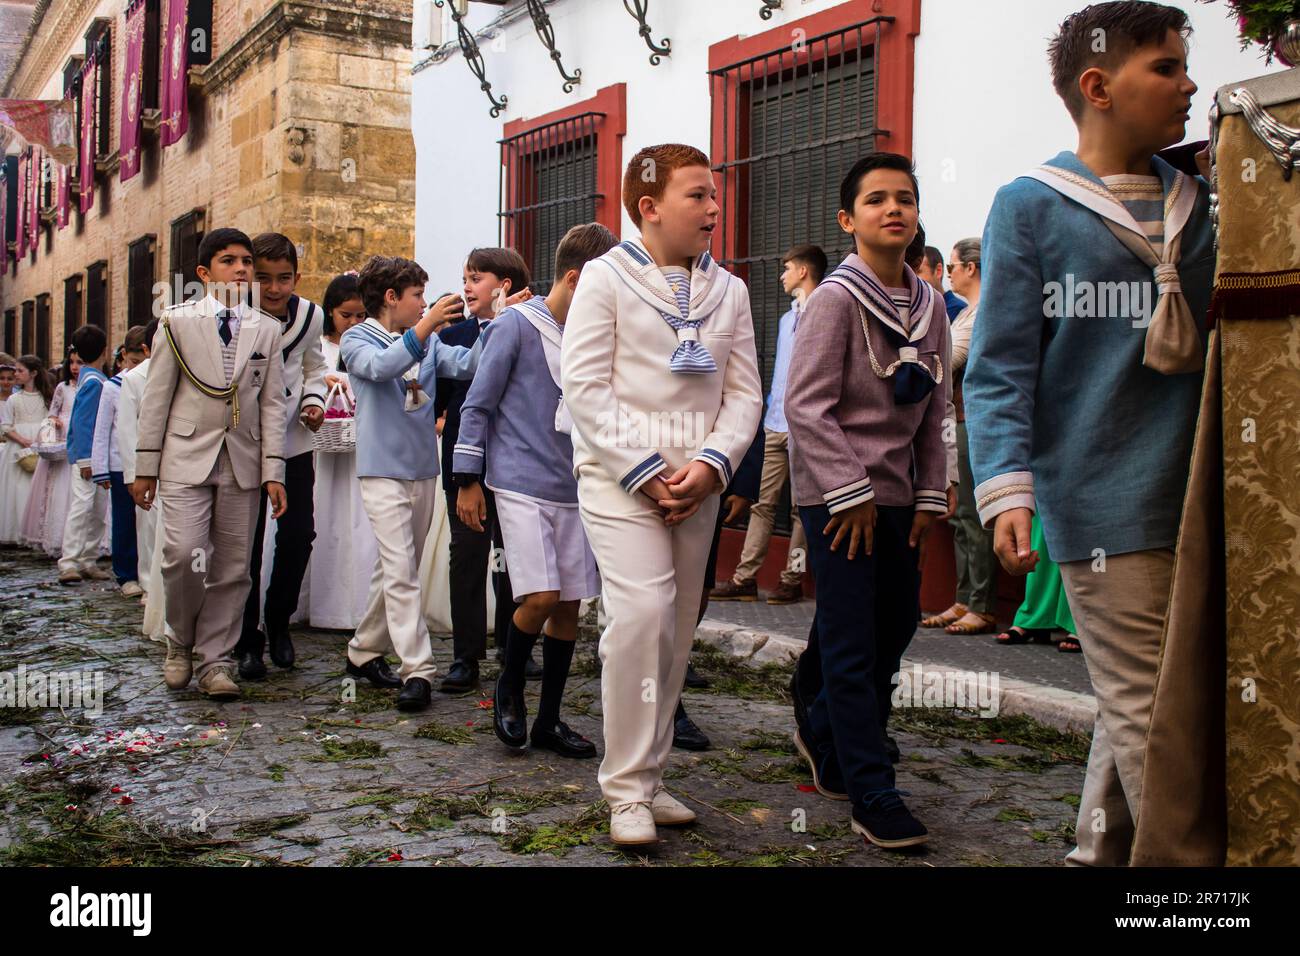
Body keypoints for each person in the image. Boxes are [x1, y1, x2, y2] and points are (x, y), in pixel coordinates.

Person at [964, 1, 1213, 866]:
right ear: (1100, 86)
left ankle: (1098, 854)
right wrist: (1007, 489)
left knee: (1145, 704)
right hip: (1101, 500)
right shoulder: (1031, 206)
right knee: (1162, 727)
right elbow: (999, 365)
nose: (1189, 85)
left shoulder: (1209, 200)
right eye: (1169, 68)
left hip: (1200, 493)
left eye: (1188, 65)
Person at [563, 143, 763, 845]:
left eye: (714, 196)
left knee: (677, 628)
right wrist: (644, 469)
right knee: (641, 614)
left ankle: (650, 777)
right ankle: (623, 791)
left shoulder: (731, 291)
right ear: (648, 207)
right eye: (698, 196)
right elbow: (584, 385)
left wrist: (712, 465)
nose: (714, 209)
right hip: (622, 480)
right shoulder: (603, 278)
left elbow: (743, 392)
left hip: (697, 484)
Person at [786, 153, 952, 850]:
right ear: (849, 221)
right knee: (855, 639)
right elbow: (807, 406)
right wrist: (847, 493)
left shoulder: (931, 304)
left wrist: (929, 496)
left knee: (897, 621)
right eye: (878, 200)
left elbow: (939, 405)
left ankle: (817, 718)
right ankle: (870, 787)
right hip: (840, 497)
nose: (895, 209)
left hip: (898, 497)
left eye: (905, 199)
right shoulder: (833, 300)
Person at [454, 222, 618, 758]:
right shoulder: (517, 326)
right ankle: (508, 683)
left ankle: (549, 720)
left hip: (575, 483)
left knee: (569, 605)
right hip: (519, 480)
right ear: (575, 279)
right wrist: (468, 480)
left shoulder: (593, 334)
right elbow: (477, 404)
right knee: (541, 596)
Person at [131, 227, 291, 701]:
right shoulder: (176, 322)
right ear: (204, 272)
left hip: (242, 461)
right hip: (184, 457)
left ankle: (215, 662)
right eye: (228, 261)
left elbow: (272, 406)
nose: (241, 268)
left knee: (234, 567)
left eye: (245, 261)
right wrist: (145, 468)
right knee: (182, 556)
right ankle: (179, 640)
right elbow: (156, 399)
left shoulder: (267, 328)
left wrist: (273, 471)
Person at [340, 255, 484, 711]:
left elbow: (470, 366)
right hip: (381, 470)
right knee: (402, 571)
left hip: (423, 468)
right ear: (391, 297)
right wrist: (426, 329)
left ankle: (363, 651)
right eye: (418, 295)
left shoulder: (431, 342)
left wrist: (494, 321)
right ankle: (418, 669)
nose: (425, 304)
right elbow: (381, 367)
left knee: (397, 569)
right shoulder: (356, 338)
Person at [436, 248, 533, 692]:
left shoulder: (533, 328)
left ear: (504, 285)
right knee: (469, 554)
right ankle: (465, 656)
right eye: (465, 278)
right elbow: (442, 404)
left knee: (512, 557)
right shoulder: (452, 336)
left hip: (516, 461)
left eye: (476, 278)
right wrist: (464, 479)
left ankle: (515, 647)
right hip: (464, 464)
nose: (467, 287)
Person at [710, 244, 825, 605]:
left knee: (799, 509)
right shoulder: (786, 319)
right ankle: (745, 578)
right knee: (763, 503)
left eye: (788, 268)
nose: (782, 275)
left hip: (807, 427)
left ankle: (792, 578)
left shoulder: (826, 309)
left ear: (804, 272)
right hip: (777, 424)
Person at [236, 233, 329, 679]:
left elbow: (314, 368)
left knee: (298, 535)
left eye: (284, 279)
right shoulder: (235, 318)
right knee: (246, 544)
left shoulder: (311, 315)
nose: (274, 289)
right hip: (246, 443)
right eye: (264, 279)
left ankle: (279, 620)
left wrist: (314, 401)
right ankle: (246, 638)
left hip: (293, 440)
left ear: (297, 276)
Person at [921, 237, 997, 635]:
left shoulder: (982, 313)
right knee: (959, 515)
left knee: (971, 514)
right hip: (959, 420)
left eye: (951, 267)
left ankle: (980, 604)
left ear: (971, 268)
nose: (948, 275)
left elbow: (948, 362)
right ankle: (966, 598)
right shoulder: (967, 313)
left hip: (971, 420)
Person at [308, 272, 376, 630]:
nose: (352, 322)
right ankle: (321, 602)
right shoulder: (319, 350)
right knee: (325, 518)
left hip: (360, 446)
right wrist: (324, 381)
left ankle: (355, 605)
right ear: (330, 312)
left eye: (360, 315)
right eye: (345, 315)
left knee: (358, 523)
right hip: (326, 449)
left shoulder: (368, 346)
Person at [90, 326, 148, 597]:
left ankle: (147, 570)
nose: (140, 367)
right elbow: (102, 429)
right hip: (118, 463)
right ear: (124, 356)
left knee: (146, 520)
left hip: (148, 461)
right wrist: (100, 468)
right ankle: (126, 573)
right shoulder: (112, 387)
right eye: (135, 362)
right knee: (124, 519)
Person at [58, 325, 112, 583]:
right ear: (104, 350)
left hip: (99, 458)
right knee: (82, 508)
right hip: (89, 458)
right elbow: (82, 423)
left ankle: (88, 558)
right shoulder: (93, 382)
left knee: (98, 509)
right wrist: (85, 459)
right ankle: (69, 561)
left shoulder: (92, 379)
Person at [21, 350, 80, 556]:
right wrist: (54, 421)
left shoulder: (93, 385)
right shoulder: (63, 388)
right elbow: (52, 412)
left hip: (81, 442)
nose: (74, 367)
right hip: (63, 443)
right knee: (60, 490)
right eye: (71, 362)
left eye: (79, 362)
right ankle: (58, 537)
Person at [116, 322, 157, 603]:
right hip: (146, 462)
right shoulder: (134, 379)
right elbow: (128, 429)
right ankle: (148, 582)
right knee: (148, 525)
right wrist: (133, 474)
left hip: (180, 460)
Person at [0, 355, 53, 543]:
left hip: (39, 446)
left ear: (33, 374)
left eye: (20, 370)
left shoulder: (45, 398)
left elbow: (50, 422)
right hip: (16, 448)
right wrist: (22, 440)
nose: (16, 374)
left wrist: (43, 442)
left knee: (35, 489)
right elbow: (5, 426)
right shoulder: (14, 399)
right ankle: (15, 531)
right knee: (16, 488)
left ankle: (35, 531)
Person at [916, 247, 967, 321]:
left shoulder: (959, 311)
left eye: (918, 271)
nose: (912, 277)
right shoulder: (914, 310)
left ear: (938, 271)